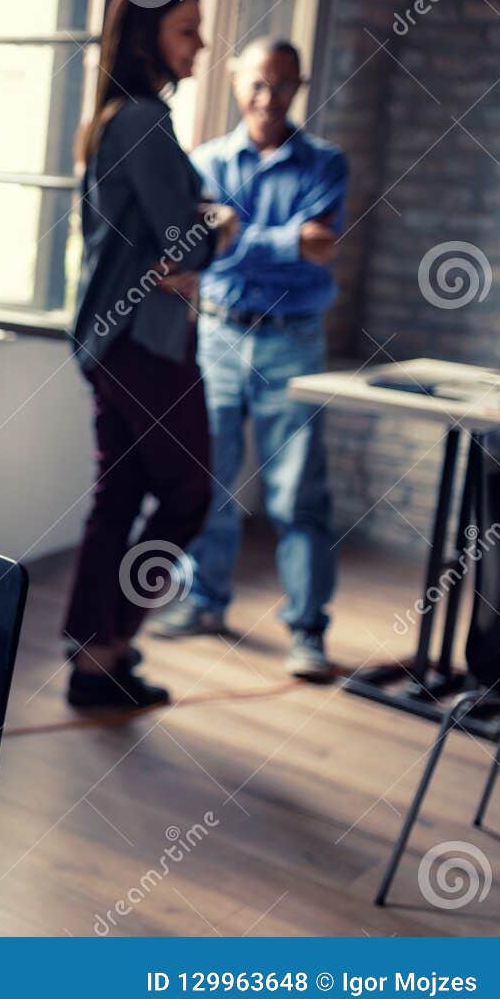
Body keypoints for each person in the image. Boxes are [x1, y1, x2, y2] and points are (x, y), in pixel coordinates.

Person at [63, 0, 238, 710]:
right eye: (186, 29)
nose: (199, 42)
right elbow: (186, 244)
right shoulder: (144, 121)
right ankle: (109, 644)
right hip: (141, 340)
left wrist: (188, 236)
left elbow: (164, 238)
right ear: (148, 39)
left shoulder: (116, 120)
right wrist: (219, 224)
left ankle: (94, 659)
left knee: (124, 492)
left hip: (112, 340)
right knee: (191, 492)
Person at [149, 39, 346, 681]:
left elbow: (316, 246)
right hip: (218, 336)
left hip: (294, 341)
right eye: (257, 85)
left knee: (297, 494)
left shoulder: (326, 164)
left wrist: (234, 235)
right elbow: (201, 250)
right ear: (237, 85)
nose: (267, 99)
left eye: (281, 86)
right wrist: (287, 239)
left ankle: (307, 632)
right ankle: (203, 602)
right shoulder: (205, 161)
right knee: (209, 478)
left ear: (298, 87)